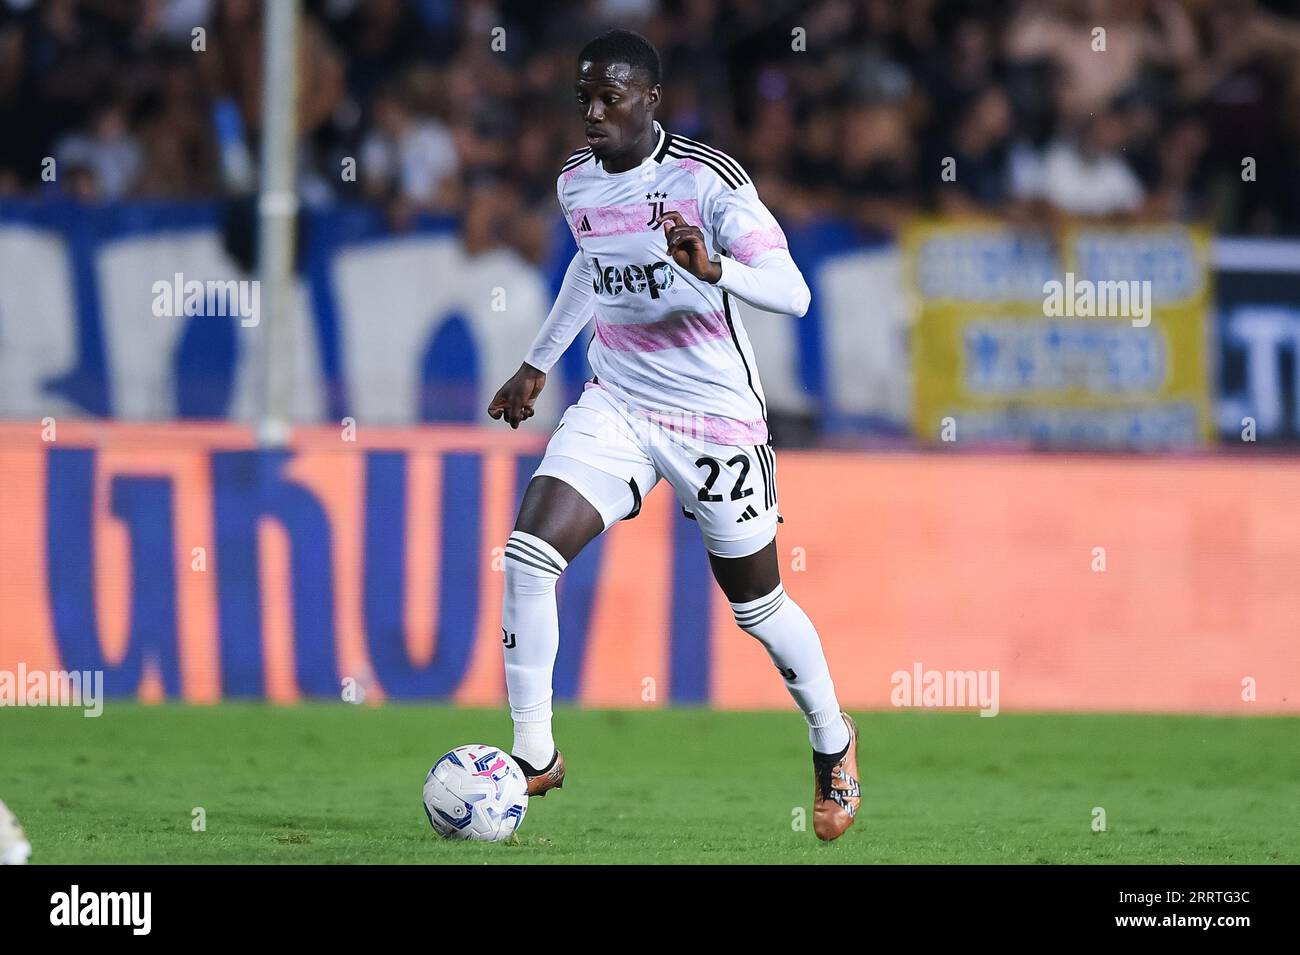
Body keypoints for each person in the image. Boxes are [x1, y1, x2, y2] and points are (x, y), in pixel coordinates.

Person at [486, 29, 859, 841]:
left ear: (650, 100)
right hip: (617, 399)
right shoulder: (575, 182)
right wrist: (537, 364)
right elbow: (590, 263)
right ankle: (534, 753)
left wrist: (715, 268)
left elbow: (793, 293)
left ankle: (833, 738)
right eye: (581, 96)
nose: (591, 113)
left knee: (758, 607)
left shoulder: (707, 182)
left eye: (608, 98)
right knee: (526, 556)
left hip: (715, 421)